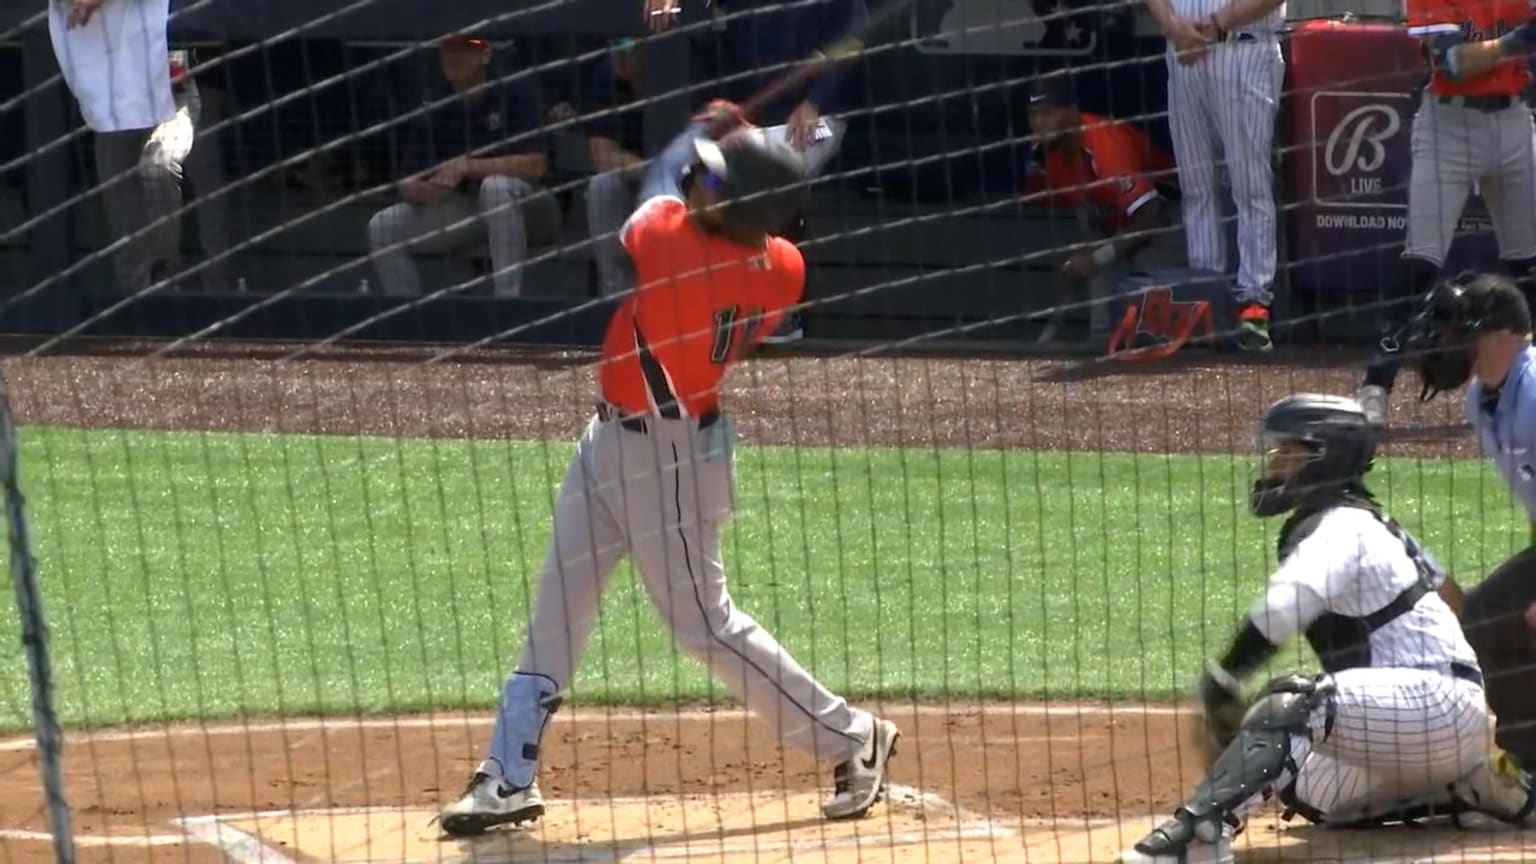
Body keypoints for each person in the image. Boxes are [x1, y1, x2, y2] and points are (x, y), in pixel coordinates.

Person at [434, 109, 900, 836]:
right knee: (558, 609)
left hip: (667, 458)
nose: (703, 182)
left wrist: (703, 132)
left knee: (703, 625)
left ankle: (854, 737)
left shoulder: (678, 246)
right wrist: (743, 139)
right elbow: (713, 191)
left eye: (718, 182)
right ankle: (507, 776)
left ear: (734, 207)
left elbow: (661, 181)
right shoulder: (785, 267)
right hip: (620, 440)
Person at [1120, 393, 1534, 864]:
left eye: (1287, 452)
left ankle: (1199, 837)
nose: (1274, 463)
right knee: (1303, 784)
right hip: (1421, 728)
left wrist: (1225, 677)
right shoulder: (1376, 524)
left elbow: (1281, 610)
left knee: (1294, 701)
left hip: (1433, 706)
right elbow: (1452, 598)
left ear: (1324, 457)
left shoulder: (1343, 526)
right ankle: (1463, 787)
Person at [1355, 7, 1536, 426]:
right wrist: (1519, 40)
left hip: (1512, 118)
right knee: (1421, 261)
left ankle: (1523, 386)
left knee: (1529, 263)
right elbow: (1452, 63)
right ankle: (1375, 386)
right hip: (1448, 124)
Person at [652, 0, 869, 343]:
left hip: (814, 119)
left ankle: (781, 308)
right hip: (748, 121)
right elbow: (708, 38)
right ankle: (704, 306)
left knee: (763, 174)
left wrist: (816, 101)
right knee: (700, 175)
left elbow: (854, 42)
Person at [1394, 270, 1536, 767]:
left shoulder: (1535, 391)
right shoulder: (1484, 399)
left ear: (1501, 336)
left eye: (1461, 333)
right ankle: (1529, 763)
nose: (1447, 345)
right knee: (1488, 618)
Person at [48, 0, 234, 292]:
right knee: (116, 176)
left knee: (159, 165)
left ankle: (184, 283)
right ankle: (141, 291)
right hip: (113, 75)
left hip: (183, 74)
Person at [367, 35, 560, 298]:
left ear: (486, 55)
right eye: (448, 49)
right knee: (383, 224)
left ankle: (507, 304)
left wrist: (467, 166)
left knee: (495, 187)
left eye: (465, 49)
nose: (453, 57)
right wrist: (416, 189)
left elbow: (536, 165)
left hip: (532, 209)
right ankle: (407, 317)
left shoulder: (515, 90)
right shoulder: (434, 102)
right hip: (467, 209)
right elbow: (409, 176)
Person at [1143, 0, 1283, 351]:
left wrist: (1219, 23)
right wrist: (1171, 25)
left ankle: (1254, 302)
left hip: (1244, 46)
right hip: (1183, 50)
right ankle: (1204, 299)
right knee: (1196, 186)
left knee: (1249, 183)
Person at [1021, 74, 1185, 347]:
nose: (1040, 124)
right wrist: (1079, 261)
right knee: (1094, 265)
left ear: (1071, 113)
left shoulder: (1104, 146)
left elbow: (1151, 215)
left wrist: (1097, 258)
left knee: (1146, 304)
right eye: (1034, 115)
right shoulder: (1043, 152)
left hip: (1169, 218)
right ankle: (1099, 345)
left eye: (1048, 114)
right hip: (1118, 222)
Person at [580, 39, 650, 297]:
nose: (620, 55)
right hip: (634, 185)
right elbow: (603, 156)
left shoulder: (681, 69)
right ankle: (616, 301)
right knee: (601, 185)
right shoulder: (603, 79)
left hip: (684, 188)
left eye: (629, 47)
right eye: (616, 46)